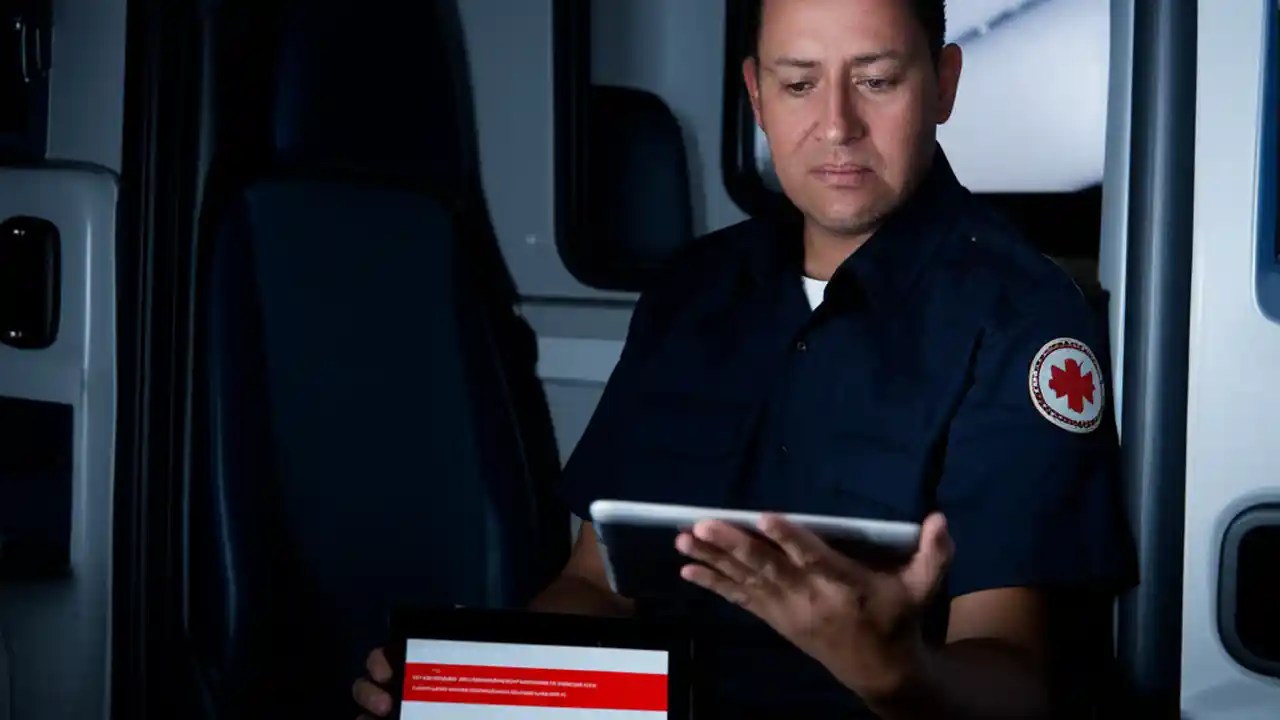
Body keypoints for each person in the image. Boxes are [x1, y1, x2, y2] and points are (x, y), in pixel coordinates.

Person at [353, 0, 1137, 716]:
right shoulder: (691, 294)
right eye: (799, 85)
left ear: (943, 86)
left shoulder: (1020, 320)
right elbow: (593, 585)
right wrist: (473, 684)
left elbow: (1017, 680)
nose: (837, 125)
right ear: (757, 96)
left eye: (877, 80)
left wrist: (897, 670)